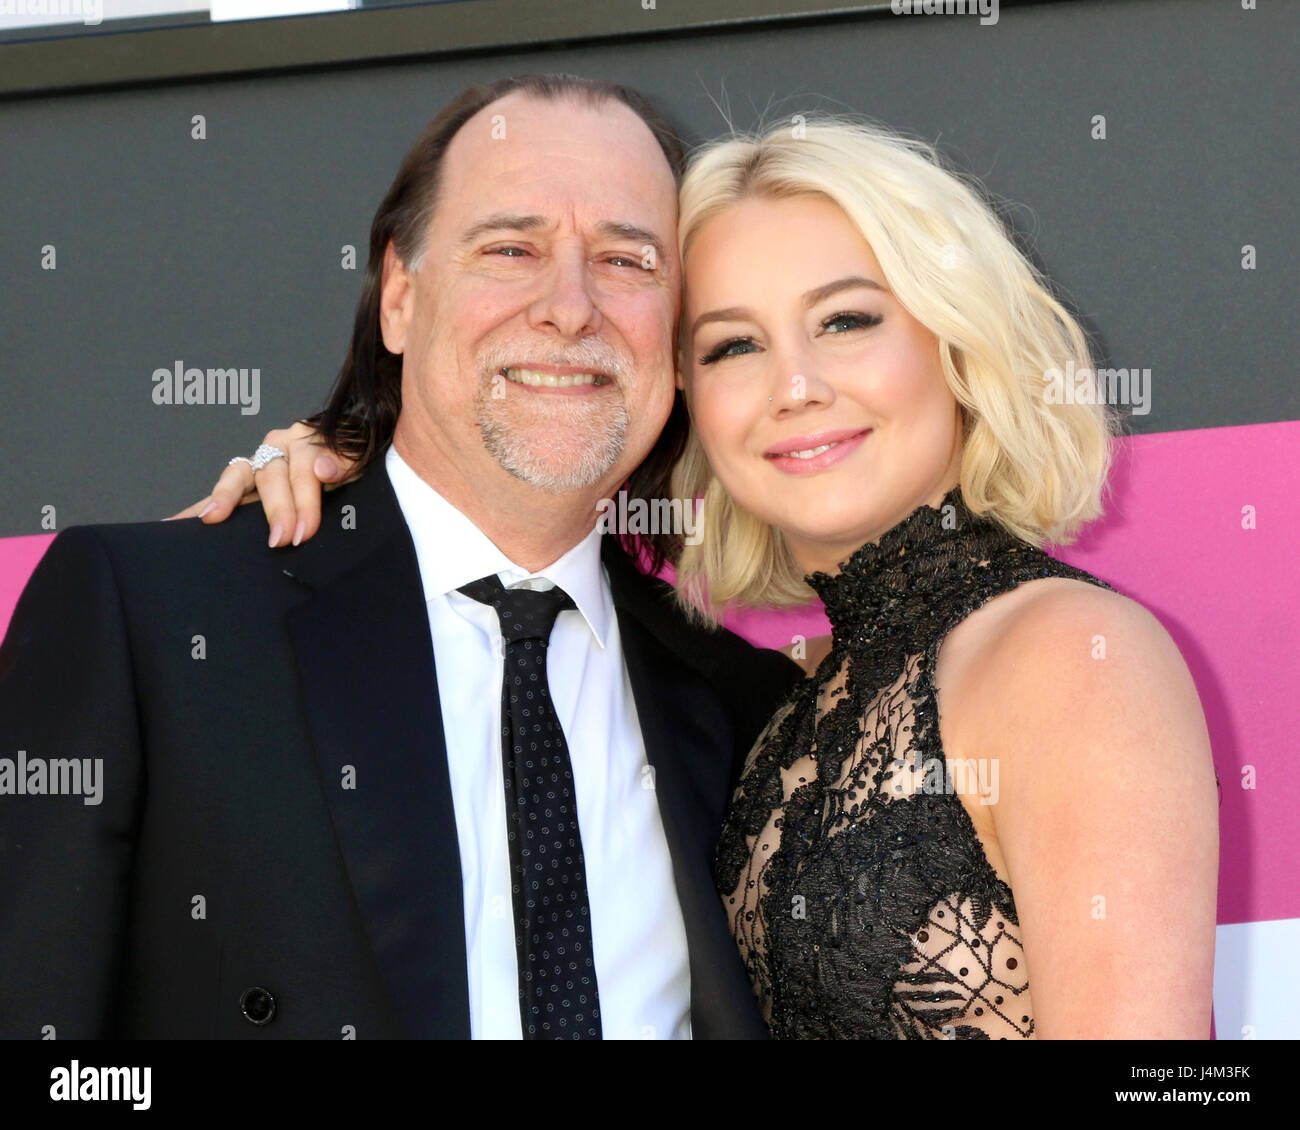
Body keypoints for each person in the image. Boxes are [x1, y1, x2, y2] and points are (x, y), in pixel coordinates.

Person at [202, 117, 1220, 1039]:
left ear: (955, 341)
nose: (795, 387)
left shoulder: (1072, 656)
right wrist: (350, 480)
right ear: (688, 397)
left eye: (847, 320)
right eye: (733, 344)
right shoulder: (765, 700)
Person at [0, 74, 801, 1040]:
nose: (570, 307)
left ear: (678, 336)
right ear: (399, 296)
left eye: (629, 261)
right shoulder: (155, 621)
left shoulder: (741, 701)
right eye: (511, 248)